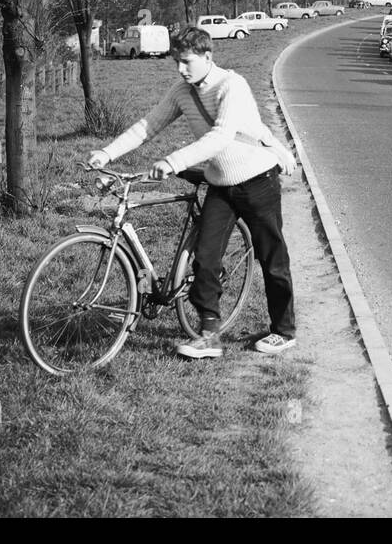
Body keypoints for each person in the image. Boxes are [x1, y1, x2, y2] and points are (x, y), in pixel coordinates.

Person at [87, 27, 298, 359]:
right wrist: (107, 153)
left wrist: (174, 161)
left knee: (271, 258)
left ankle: (283, 330)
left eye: (186, 62)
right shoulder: (181, 90)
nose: (180, 70)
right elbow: (148, 125)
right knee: (205, 257)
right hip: (220, 183)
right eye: (176, 62)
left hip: (257, 179)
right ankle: (209, 334)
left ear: (207, 57)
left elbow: (221, 136)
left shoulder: (233, 86)